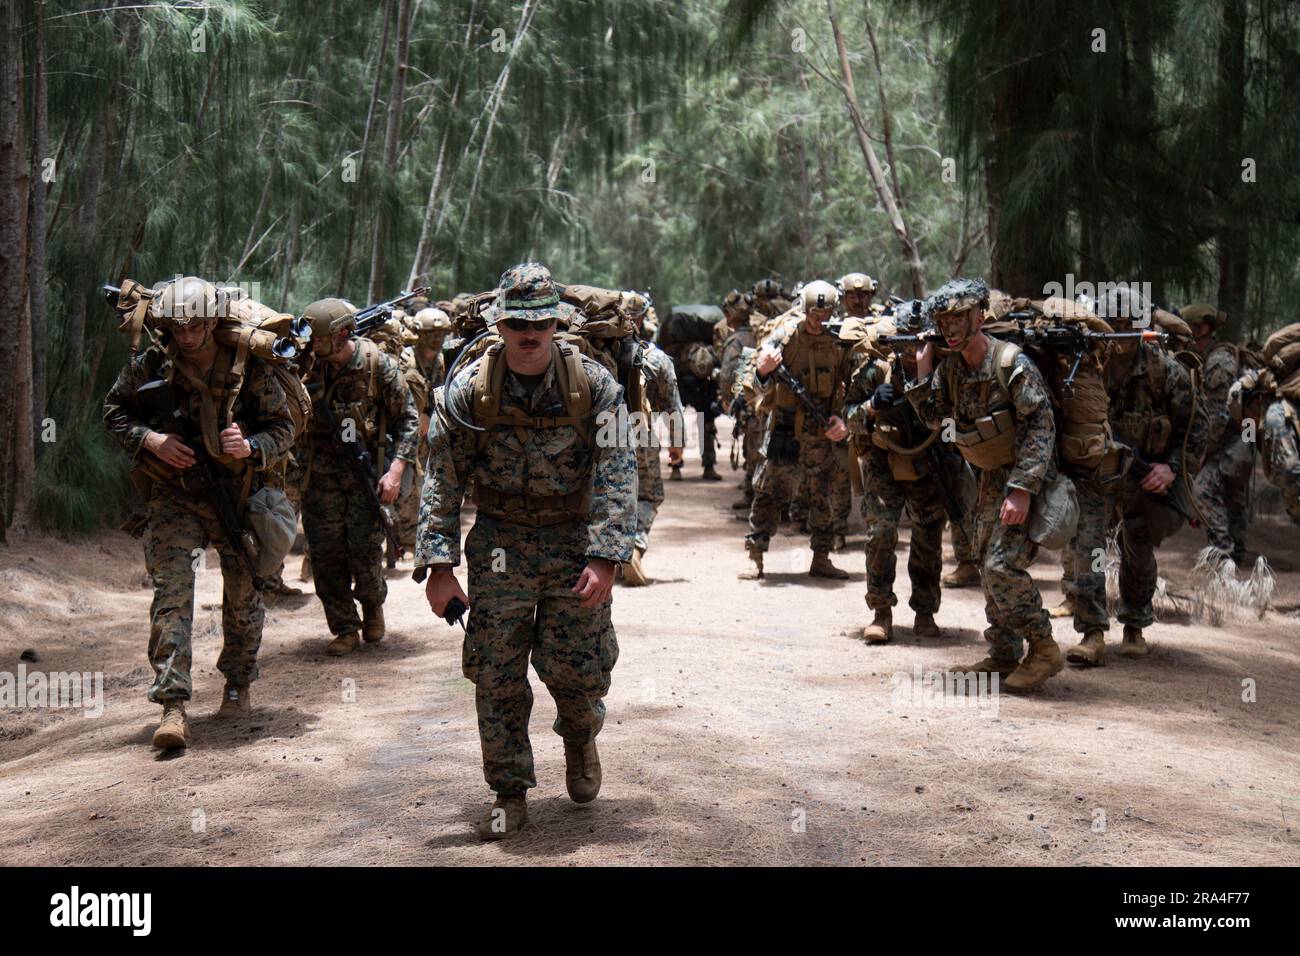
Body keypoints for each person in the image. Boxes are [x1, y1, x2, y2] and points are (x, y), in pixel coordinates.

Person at [417, 262, 636, 840]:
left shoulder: (595, 387)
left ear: (558, 323)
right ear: (500, 324)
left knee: (578, 669)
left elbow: (618, 471)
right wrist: (438, 566)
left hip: (573, 544)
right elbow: (441, 479)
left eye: (540, 321)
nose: (529, 332)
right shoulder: (469, 394)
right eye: (517, 322)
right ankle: (509, 788)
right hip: (500, 546)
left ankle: (581, 736)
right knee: (496, 673)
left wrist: (607, 555)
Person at [103, 276, 296, 748]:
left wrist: (250, 446)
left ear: (213, 320)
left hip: (238, 494)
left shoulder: (248, 365)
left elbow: (284, 426)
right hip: (176, 492)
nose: (187, 337)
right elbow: (114, 410)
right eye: (178, 327)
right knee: (172, 592)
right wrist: (152, 440)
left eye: (196, 326)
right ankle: (172, 705)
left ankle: (237, 682)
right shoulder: (152, 361)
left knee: (245, 589)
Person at [908, 278, 1062, 692]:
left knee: (1001, 565)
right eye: (943, 320)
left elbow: (1041, 425)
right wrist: (923, 371)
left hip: (1028, 477)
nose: (950, 327)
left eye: (958, 317)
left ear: (980, 316)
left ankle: (1044, 647)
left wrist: (1024, 489)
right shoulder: (952, 371)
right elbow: (932, 419)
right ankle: (1003, 650)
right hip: (991, 478)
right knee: (981, 558)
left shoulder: (1011, 363)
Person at [1064, 289, 1205, 666]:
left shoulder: (1166, 372)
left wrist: (1171, 467)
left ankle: (1134, 624)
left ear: (1142, 328)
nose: (1121, 335)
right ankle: (1092, 632)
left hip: (1144, 479)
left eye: (1129, 326)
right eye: (1114, 326)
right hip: (1098, 475)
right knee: (1089, 546)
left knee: (1138, 549)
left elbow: (1197, 429)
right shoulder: (1088, 364)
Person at [299, 297, 419, 656]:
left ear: (343, 334)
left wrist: (396, 471)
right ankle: (344, 628)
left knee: (366, 554)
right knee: (326, 555)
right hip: (320, 477)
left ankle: (372, 606)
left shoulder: (376, 364)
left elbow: (409, 420)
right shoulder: (307, 368)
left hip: (366, 476)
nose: (313, 345)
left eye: (319, 338)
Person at [743, 280, 853, 580]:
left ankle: (821, 556)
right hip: (786, 427)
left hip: (822, 429)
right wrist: (764, 370)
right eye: (815, 315)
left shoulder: (839, 341)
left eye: (826, 314)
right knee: (769, 491)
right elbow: (751, 383)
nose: (820, 321)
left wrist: (843, 420)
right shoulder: (785, 336)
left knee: (823, 493)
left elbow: (851, 384)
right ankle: (756, 555)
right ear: (804, 311)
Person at [622, 292, 685, 586]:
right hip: (639, 434)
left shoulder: (592, 352)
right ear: (643, 318)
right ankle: (634, 547)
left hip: (598, 434)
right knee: (648, 495)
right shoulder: (656, 357)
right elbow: (672, 406)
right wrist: (677, 444)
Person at [1184, 303, 1251, 565]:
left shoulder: (1218, 362)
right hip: (1236, 442)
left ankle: (1222, 555)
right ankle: (1237, 556)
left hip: (1233, 442)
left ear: (1202, 328)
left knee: (1203, 491)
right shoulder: (1211, 357)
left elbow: (1218, 416)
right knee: (1231, 496)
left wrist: (1202, 452)